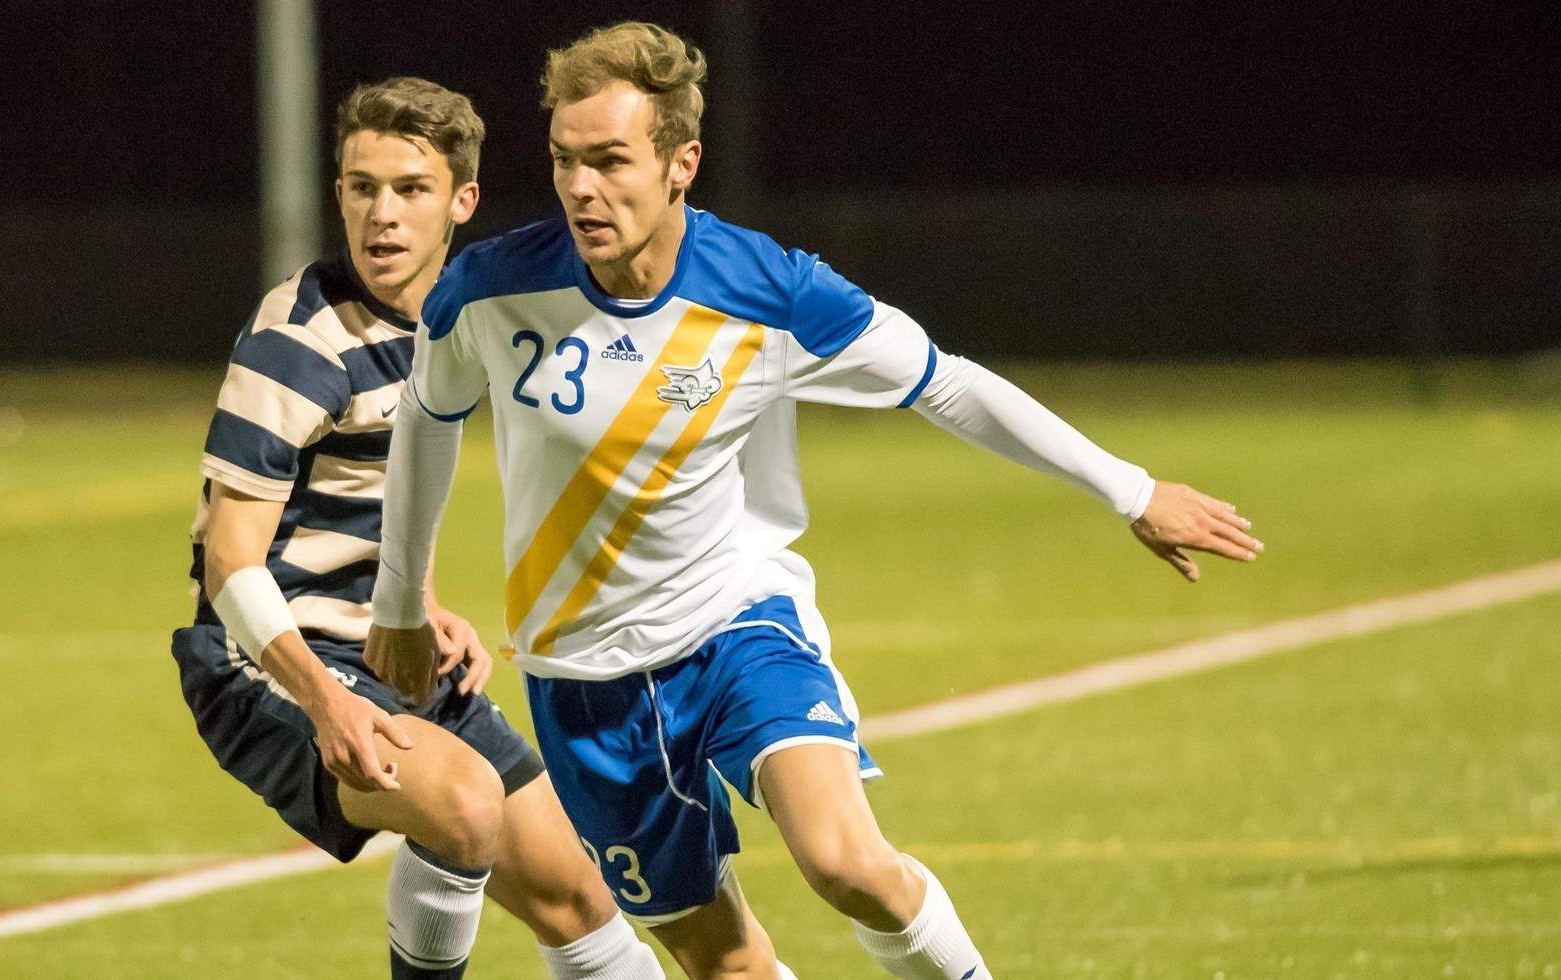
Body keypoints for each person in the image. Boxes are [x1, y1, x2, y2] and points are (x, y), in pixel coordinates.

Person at [366, 23, 1263, 980]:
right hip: (582, 682)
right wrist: (400, 601)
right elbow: (428, 419)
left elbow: (945, 383)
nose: (582, 188)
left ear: (682, 163)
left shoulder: (767, 290)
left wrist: (1132, 490)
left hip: (735, 626)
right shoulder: (485, 293)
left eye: (611, 161)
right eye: (563, 162)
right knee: (725, 965)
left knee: (846, 865)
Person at [170, 76, 664, 980]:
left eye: (410, 189)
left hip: (385, 651)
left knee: (580, 900)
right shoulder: (300, 341)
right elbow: (228, 562)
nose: (382, 215)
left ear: (461, 202)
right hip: (270, 664)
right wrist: (327, 701)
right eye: (362, 188)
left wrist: (421, 606)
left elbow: (398, 482)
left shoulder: (452, 323)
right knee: (464, 805)